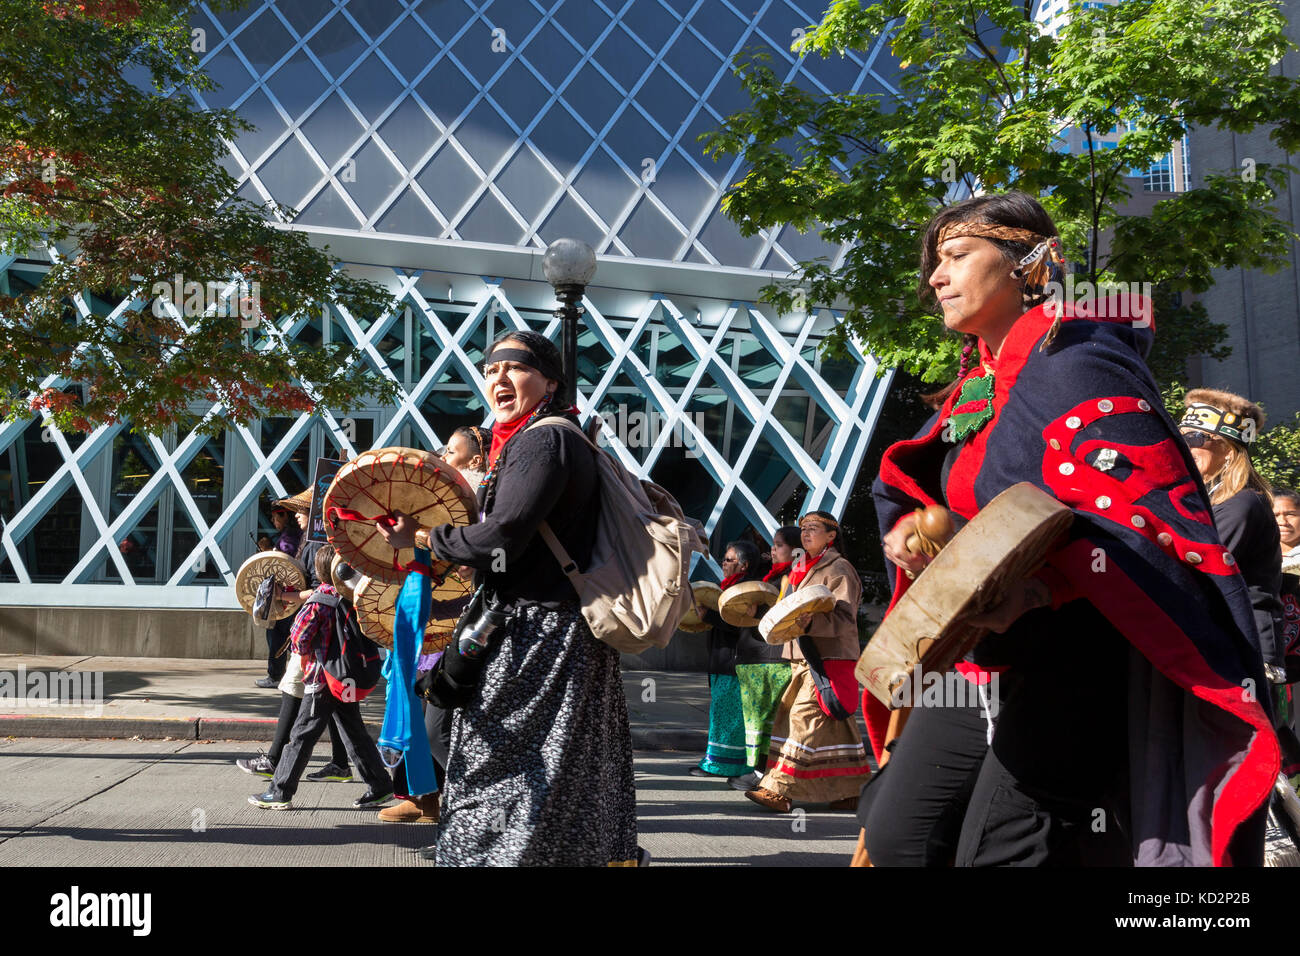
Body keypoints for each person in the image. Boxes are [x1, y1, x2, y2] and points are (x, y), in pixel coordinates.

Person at [860, 191, 1276, 866]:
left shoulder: (1080, 362)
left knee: (1005, 849)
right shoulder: (975, 388)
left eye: (958, 256)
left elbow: (1143, 531)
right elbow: (941, 498)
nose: (936, 277)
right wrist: (913, 530)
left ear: (1033, 262)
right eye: (935, 262)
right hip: (976, 655)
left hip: (1076, 655)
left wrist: (1039, 593)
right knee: (898, 833)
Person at [379, 330, 640, 866]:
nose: (498, 377)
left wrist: (425, 539)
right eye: (491, 368)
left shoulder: (544, 440)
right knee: (558, 780)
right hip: (555, 635)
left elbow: (504, 535)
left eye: (514, 367)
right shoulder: (554, 437)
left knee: (501, 773)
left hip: (539, 639)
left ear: (549, 380)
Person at [377, 430, 487, 825]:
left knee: (437, 728)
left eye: (451, 451)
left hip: (463, 636)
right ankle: (425, 798)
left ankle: (474, 809)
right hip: (432, 630)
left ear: (476, 462)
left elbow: (478, 565)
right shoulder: (440, 513)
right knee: (419, 717)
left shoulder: (477, 512)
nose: (443, 455)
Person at [249, 544, 394, 810]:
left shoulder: (318, 600)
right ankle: (381, 787)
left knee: (301, 735)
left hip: (322, 678)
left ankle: (279, 792)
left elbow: (299, 640)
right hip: (345, 675)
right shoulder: (349, 597)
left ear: (319, 570)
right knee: (355, 734)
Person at [745, 511, 871, 814]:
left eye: (813, 529)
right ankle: (851, 790)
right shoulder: (801, 568)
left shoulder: (839, 568)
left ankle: (779, 790)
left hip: (828, 658)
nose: (805, 534)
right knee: (833, 723)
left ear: (831, 536)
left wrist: (810, 622)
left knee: (802, 717)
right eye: (803, 529)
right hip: (802, 657)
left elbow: (844, 617)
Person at [1179, 390, 1284, 684]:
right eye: (1181, 438)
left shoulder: (1242, 503)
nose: (1184, 448)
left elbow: (1200, 570)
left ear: (1227, 448)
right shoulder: (1211, 498)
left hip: (1245, 649)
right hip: (1227, 640)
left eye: (1194, 439)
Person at [728, 526, 799, 793]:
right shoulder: (774, 575)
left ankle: (763, 771)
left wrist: (756, 610)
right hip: (758, 659)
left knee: (766, 719)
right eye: (773, 544)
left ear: (796, 550)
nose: (772, 549)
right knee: (757, 719)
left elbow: (781, 619)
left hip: (771, 659)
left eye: (779, 545)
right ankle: (759, 769)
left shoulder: (791, 577)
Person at [690, 540, 766, 781]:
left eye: (729, 560)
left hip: (734, 663)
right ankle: (724, 763)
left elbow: (740, 625)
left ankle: (721, 765)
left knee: (727, 715)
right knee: (722, 713)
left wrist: (709, 615)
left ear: (744, 566)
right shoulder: (728, 587)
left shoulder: (748, 591)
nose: (723, 563)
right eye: (724, 558)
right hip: (722, 661)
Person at [255, 502, 302, 689]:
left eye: (276, 518)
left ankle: (275, 675)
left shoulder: (289, 539)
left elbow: (280, 565)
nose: (274, 522)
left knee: (277, 635)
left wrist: (268, 553)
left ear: (285, 516)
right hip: (294, 593)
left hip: (286, 593)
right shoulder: (297, 536)